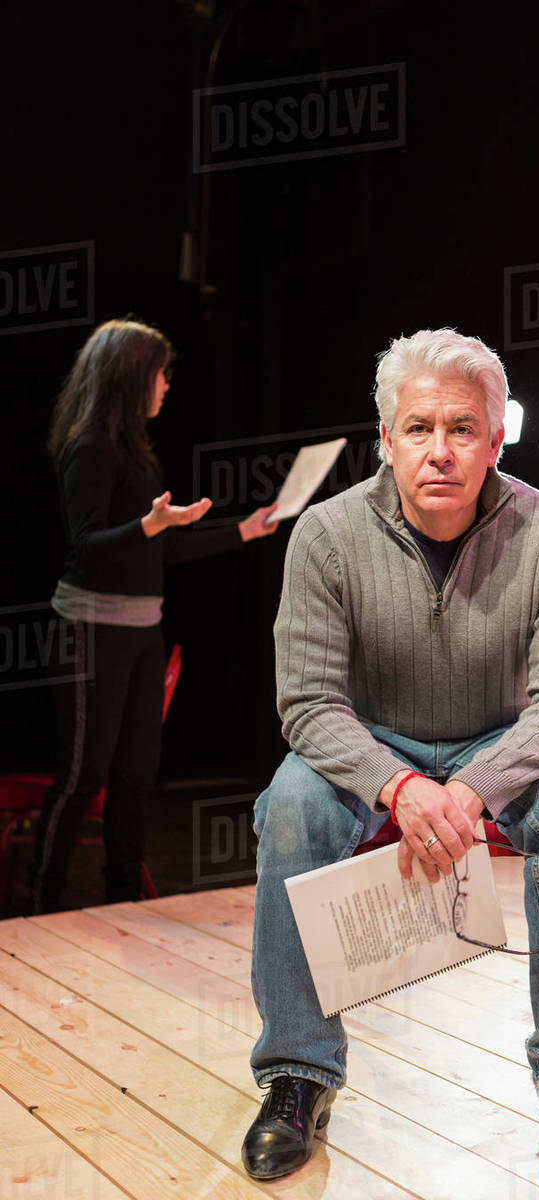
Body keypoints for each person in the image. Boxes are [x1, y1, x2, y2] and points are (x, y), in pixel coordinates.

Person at [242, 328, 539, 1182]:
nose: (441, 450)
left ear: (496, 441)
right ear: (386, 440)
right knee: (293, 804)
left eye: (462, 429)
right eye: (419, 428)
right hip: (375, 739)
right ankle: (297, 1073)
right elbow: (308, 703)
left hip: (504, 739)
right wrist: (399, 785)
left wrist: (473, 788)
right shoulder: (327, 535)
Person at [28, 317, 278, 914]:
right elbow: (87, 545)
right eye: (161, 373)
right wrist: (148, 525)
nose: (166, 384)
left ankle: (122, 903)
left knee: (137, 773)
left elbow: (157, 547)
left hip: (142, 631)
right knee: (83, 775)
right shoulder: (89, 446)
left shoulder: (135, 453)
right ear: (131, 374)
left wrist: (243, 531)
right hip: (91, 631)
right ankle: (40, 904)